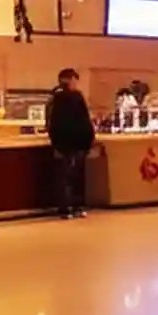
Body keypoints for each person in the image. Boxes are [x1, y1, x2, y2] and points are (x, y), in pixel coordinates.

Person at [46, 68, 95, 219]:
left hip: (62, 143)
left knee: (64, 177)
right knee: (76, 177)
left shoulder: (53, 97)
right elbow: (84, 121)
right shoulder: (75, 97)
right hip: (77, 143)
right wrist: (89, 141)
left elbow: (50, 122)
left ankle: (65, 208)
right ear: (70, 79)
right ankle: (76, 207)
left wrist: (55, 141)